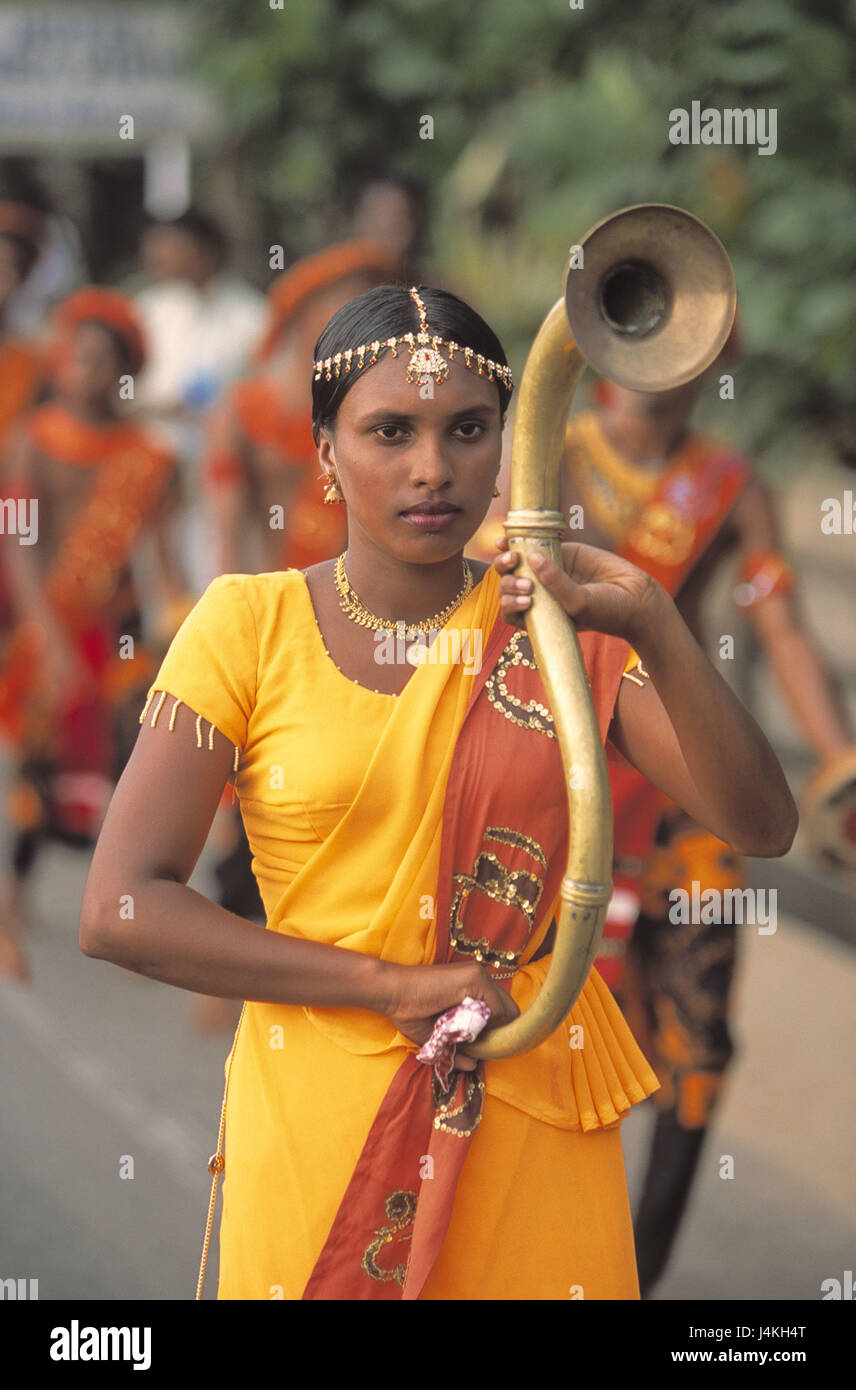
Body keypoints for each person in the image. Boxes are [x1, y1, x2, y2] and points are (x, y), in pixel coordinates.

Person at [79, 284, 796, 1301]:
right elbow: (118, 908)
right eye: (388, 432)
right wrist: (392, 986)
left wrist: (644, 611)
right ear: (324, 451)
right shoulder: (247, 625)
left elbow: (761, 824)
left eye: (466, 431)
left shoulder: (562, 630)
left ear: (504, 442)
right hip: (322, 1117)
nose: (431, 467)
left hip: (530, 1105)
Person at [530, 341, 850, 1296]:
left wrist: (837, 756)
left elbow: (779, 621)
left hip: (683, 785)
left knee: (700, 1045)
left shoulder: (732, 484)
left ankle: (639, 1275)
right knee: (549, 1024)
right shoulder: (550, 454)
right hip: (564, 769)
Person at [0, 288, 177, 980]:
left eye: (105, 359)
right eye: (78, 354)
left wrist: (174, 625)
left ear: (123, 368)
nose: (87, 369)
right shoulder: (31, 439)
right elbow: (18, 544)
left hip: (120, 634)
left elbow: (161, 560)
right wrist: (48, 639)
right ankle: (10, 909)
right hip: (48, 627)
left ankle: (124, 913)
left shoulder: (148, 457)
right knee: (36, 768)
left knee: (130, 769)